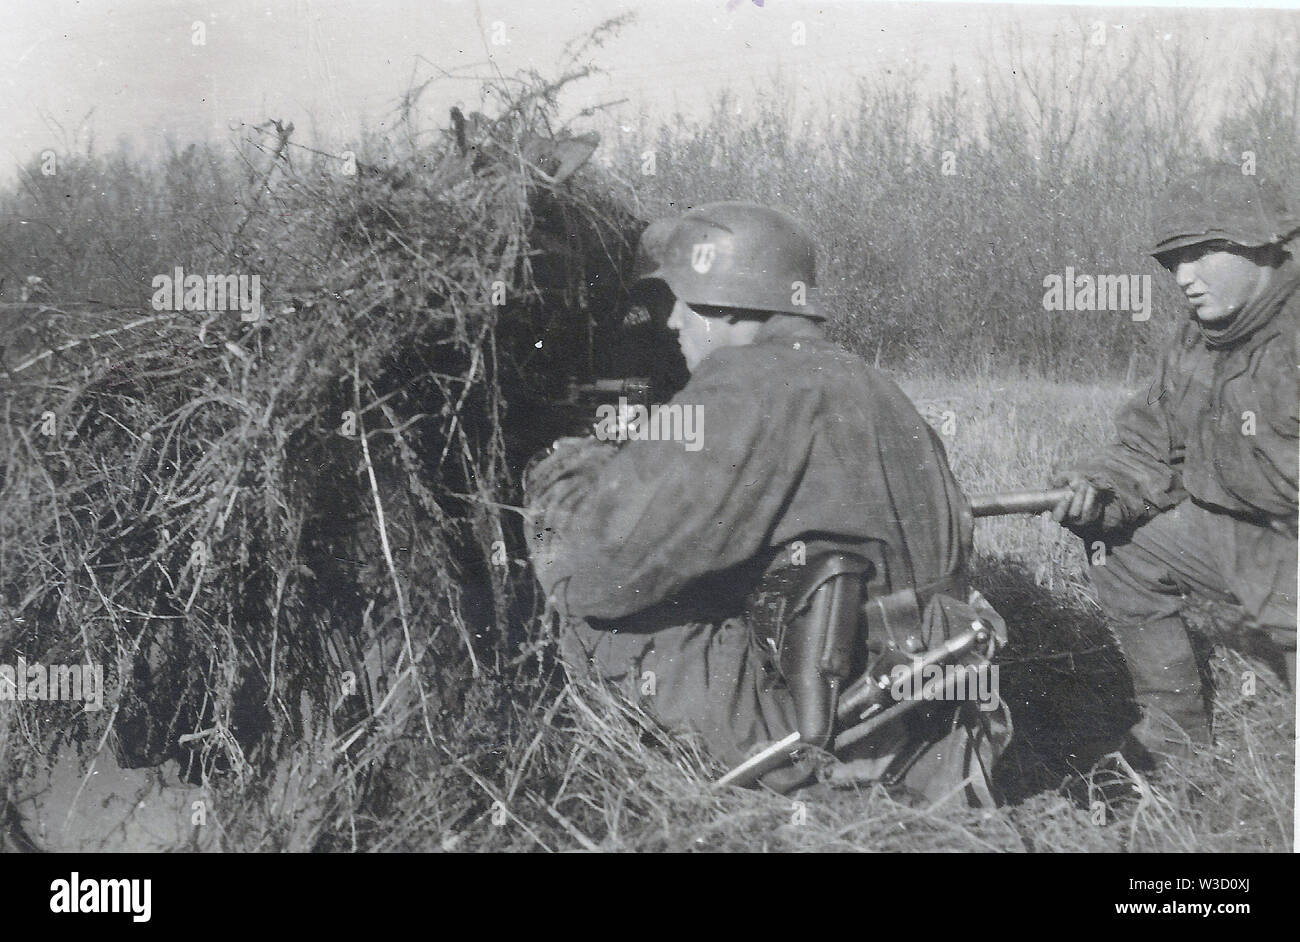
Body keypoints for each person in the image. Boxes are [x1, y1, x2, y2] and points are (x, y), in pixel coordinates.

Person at [526, 201, 1009, 798]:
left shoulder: (745, 385)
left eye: (682, 301)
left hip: (826, 728)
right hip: (931, 719)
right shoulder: (870, 383)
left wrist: (567, 465)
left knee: (589, 618)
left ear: (727, 302)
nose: (672, 322)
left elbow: (593, 572)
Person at [1052, 164, 1299, 762]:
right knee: (1118, 545)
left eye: (1201, 253)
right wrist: (1099, 486)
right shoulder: (1195, 340)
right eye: (1173, 261)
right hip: (1238, 542)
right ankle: (1175, 738)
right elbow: (1148, 444)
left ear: (1259, 244)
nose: (1184, 277)